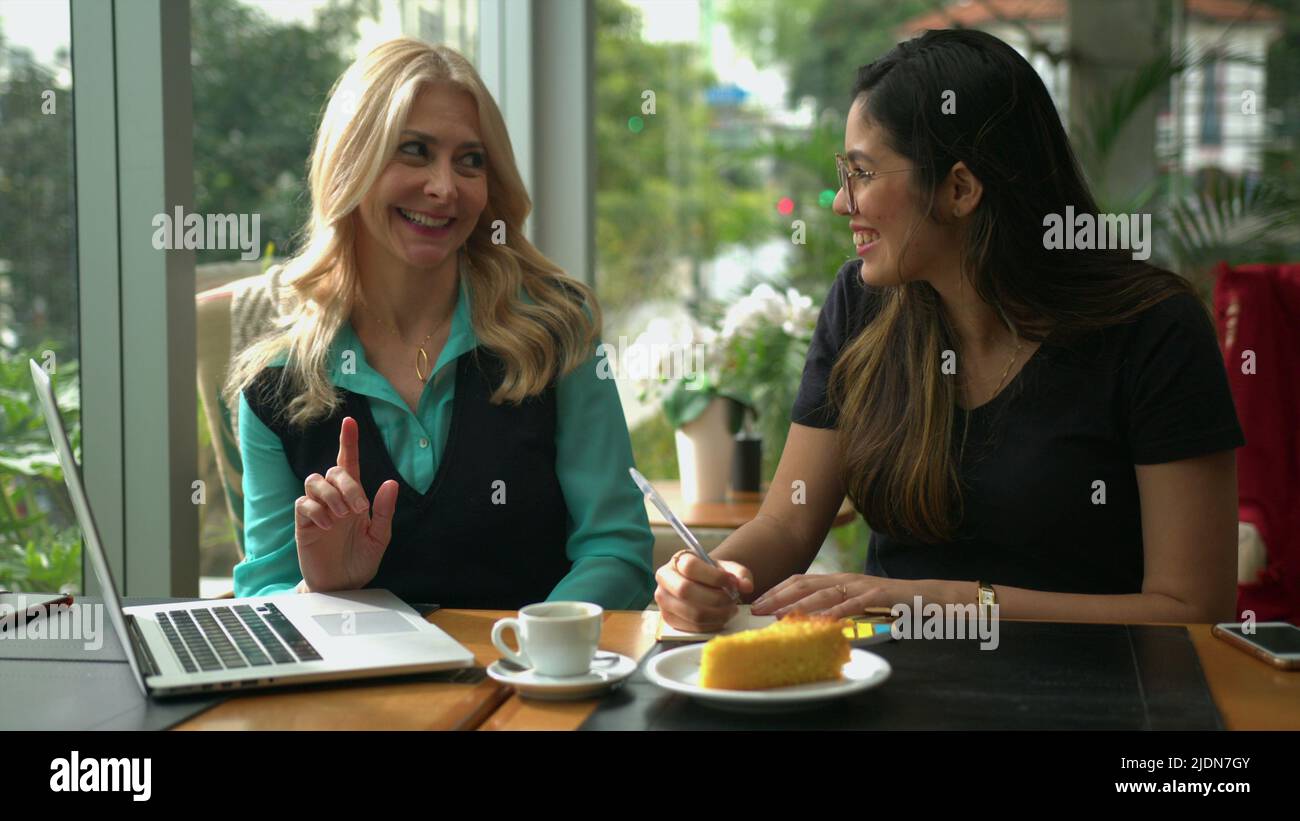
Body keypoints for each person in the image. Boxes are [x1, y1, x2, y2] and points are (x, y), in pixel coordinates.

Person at [655, 29, 1244, 631]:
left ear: (960, 188)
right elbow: (787, 525)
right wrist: (711, 579)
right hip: (889, 688)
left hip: (1091, 698)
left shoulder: (1152, 329)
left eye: (861, 172)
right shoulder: (861, 306)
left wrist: (934, 600)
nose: (840, 201)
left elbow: (1192, 610)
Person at [223, 38, 654, 610]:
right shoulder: (275, 386)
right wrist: (319, 590)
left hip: (541, 687)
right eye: (415, 151)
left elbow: (616, 551)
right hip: (361, 696)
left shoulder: (557, 333)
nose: (445, 188)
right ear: (352, 162)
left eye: (470, 161)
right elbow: (265, 598)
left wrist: (535, 648)